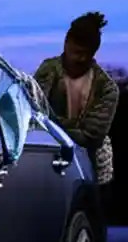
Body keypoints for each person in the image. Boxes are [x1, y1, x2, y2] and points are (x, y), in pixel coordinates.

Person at [33, 11, 119, 216]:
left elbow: (92, 136)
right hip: (50, 160)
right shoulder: (47, 70)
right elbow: (34, 114)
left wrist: (54, 124)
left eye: (86, 53)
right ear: (66, 43)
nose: (79, 58)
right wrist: (69, 126)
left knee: (90, 219)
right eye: (76, 51)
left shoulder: (106, 88)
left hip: (93, 166)